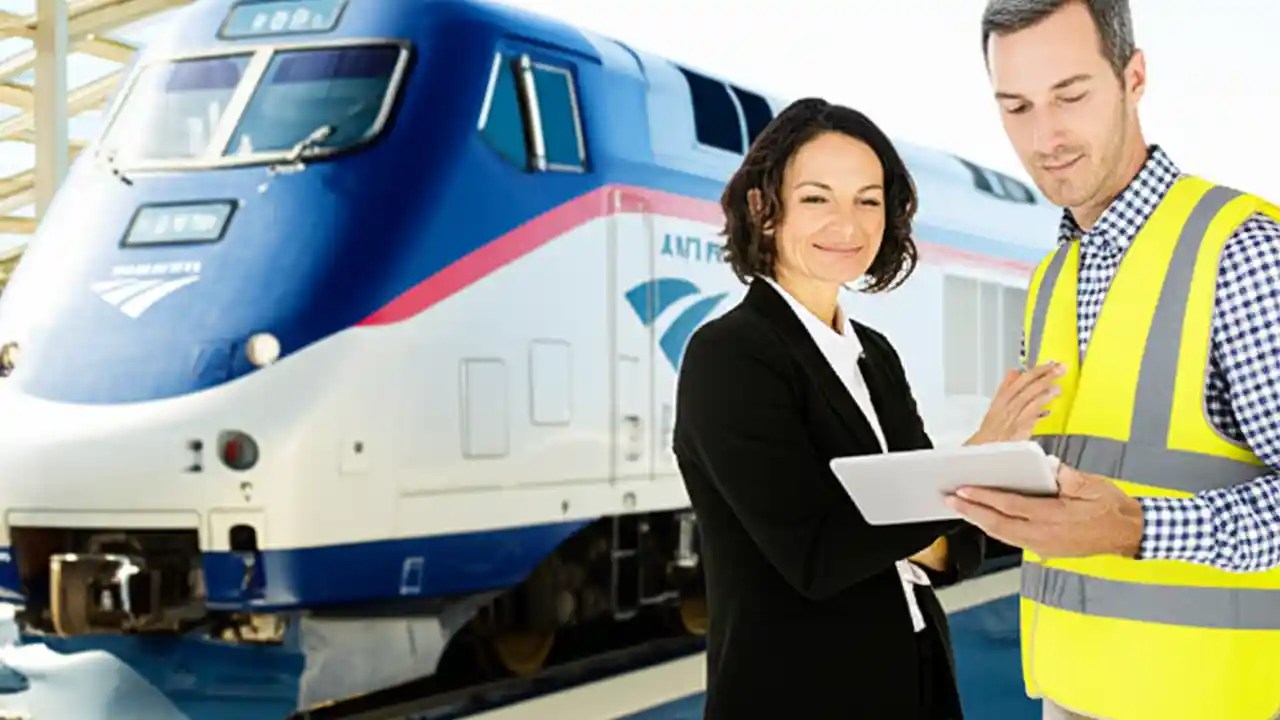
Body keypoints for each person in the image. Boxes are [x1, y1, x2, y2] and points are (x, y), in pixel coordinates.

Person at [672, 97, 1062, 720]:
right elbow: (818, 555)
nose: (847, 224)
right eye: (817, 198)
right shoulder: (730, 355)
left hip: (918, 675)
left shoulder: (875, 355)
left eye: (868, 200)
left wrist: (902, 521)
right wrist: (973, 460)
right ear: (762, 209)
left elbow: (958, 551)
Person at [946, 2, 1280, 719]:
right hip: (1068, 691)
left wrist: (1140, 527)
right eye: (1017, 107)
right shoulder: (1050, 280)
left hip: (1212, 700)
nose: (1045, 138)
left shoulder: (1241, 253)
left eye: (1071, 96)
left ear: (1133, 78)